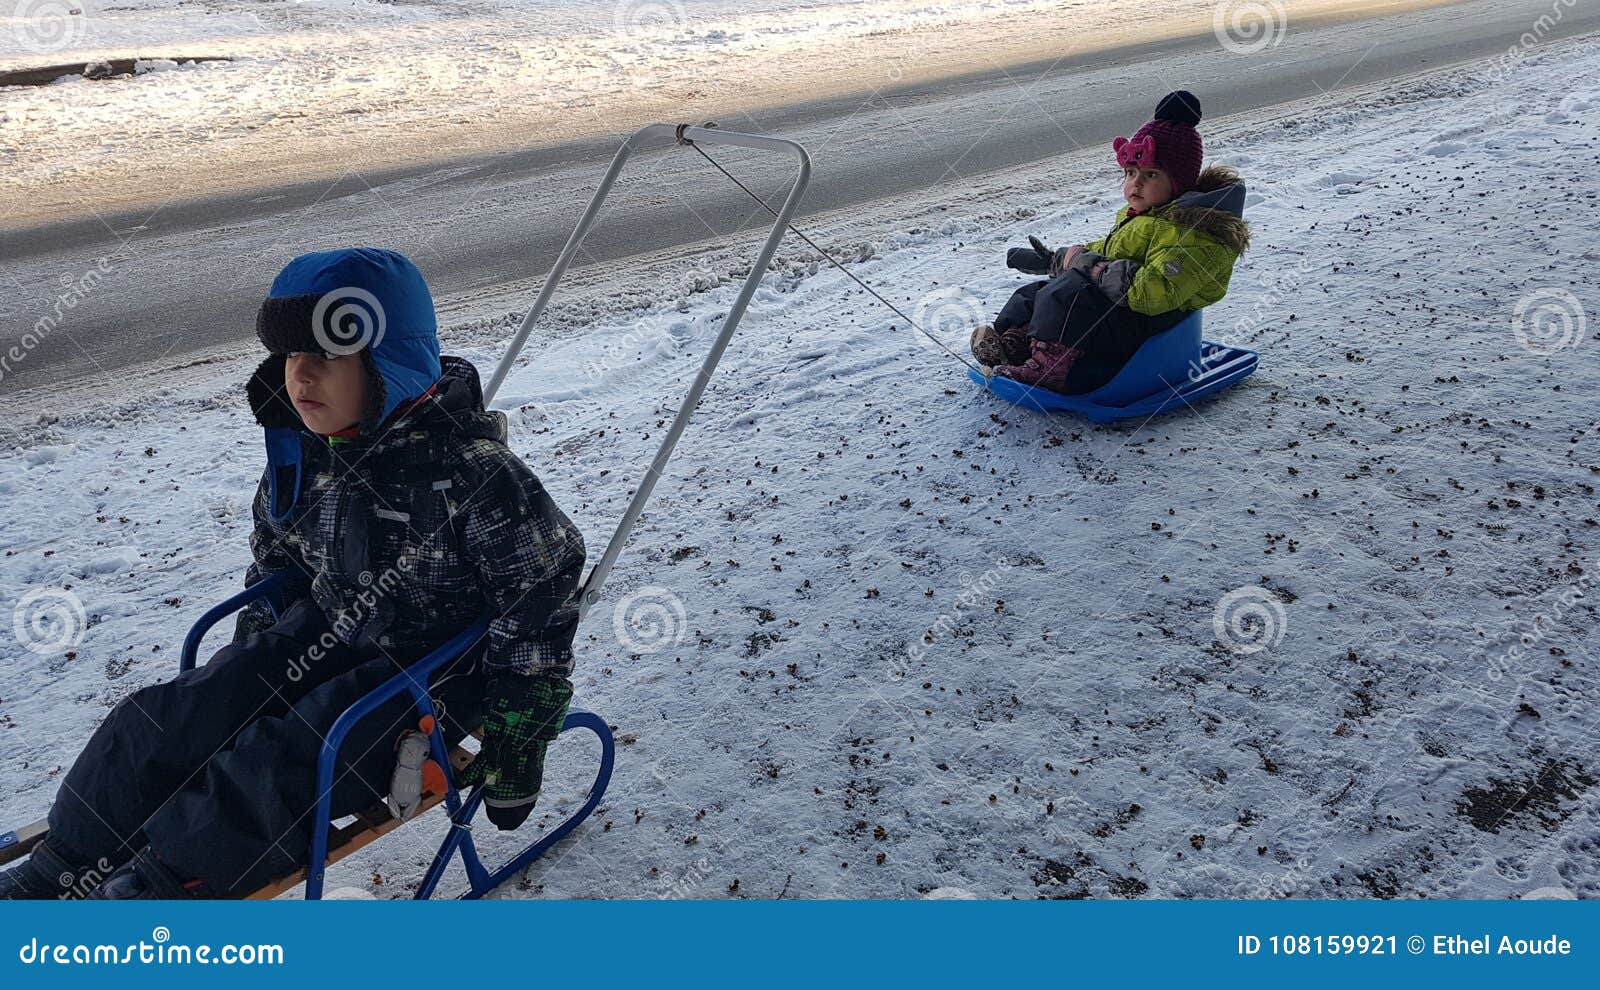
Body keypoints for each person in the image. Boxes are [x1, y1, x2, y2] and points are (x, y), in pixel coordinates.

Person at [1, 248, 587, 899]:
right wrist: (251, 666)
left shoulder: (476, 476)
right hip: (322, 636)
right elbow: (277, 556)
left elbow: (543, 590)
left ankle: (169, 882)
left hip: (431, 680)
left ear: (388, 362)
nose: (299, 376)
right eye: (289, 356)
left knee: (284, 757)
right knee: (166, 718)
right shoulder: (306, 454)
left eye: (326, 356)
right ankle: (64, 863)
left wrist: (518, 732)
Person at [972, 90, 1251, 393]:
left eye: (1151, 174)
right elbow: (1107, 249)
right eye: (1130, 172)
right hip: (1119, 306)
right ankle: (1012, 345)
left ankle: (1050, 367)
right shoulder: (1146, 215)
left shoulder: (1197, 234)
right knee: (1041, 292)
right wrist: (1058, 258)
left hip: (1151, 321)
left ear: (1179, 182)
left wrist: (1089, 269)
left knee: (1070, 294)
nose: (1136, 183)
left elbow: (1151, 292)